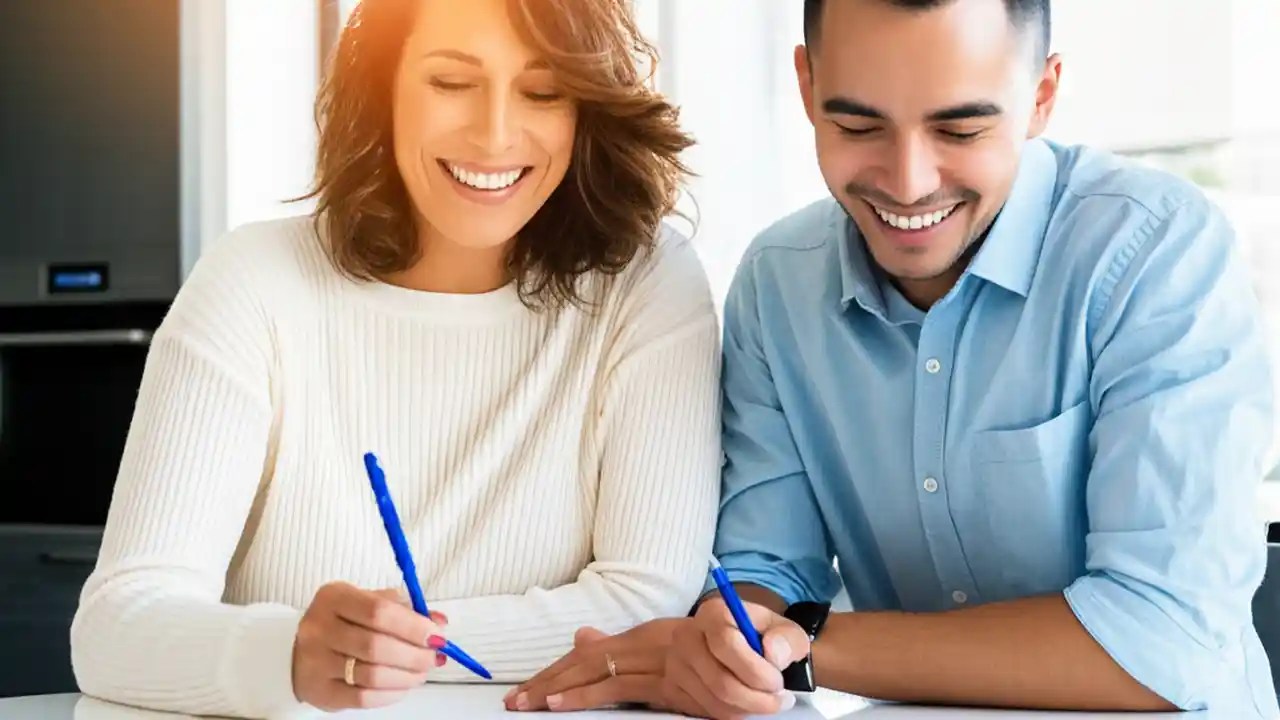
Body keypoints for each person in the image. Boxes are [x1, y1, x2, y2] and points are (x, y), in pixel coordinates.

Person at [509, 0, 1278, 717]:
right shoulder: (779, 284)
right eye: (859, 126)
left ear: (1042, 95)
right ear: (807, 86)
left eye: (961, 131)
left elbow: (1164, 639)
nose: (908, 183)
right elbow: (767, 570)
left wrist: (805, 650)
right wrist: (726, 641)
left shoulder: (1155, 254)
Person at [68, 0, 722, 717]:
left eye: (542, 92)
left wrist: (385, 652)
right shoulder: (253, 281)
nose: (495, 135)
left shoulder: (645, 281)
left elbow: (642, 603)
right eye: (450, 83)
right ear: (383, 90)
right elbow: (116, 628)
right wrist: (287, 653)